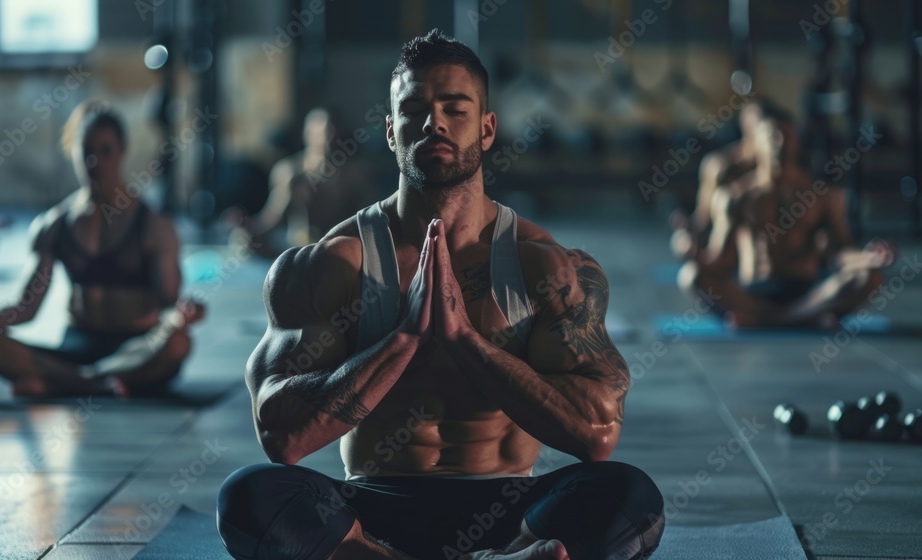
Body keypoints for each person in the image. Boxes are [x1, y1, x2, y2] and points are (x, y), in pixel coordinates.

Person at [217, 30, 664, 560]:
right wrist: (402, 339)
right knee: (249, 496)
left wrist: (466, 341)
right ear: (391, 131)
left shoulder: (544, 265)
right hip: (374, 504)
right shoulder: (331, 265)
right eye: (414, 110)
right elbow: (282, 437)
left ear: (487, 128)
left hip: (508, 506)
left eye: (455, 107)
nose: (434, 123)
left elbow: (596, 434)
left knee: (631, 496)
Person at [0, 101, 204, 397]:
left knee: (178, 343)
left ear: (122, 151)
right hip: (74, 348)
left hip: (134, 350)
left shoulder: (154, 226)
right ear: (73, 153)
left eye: (105, 151)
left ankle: (62, 382)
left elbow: (168, 305)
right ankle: (93, 383)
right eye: (86, 152)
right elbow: (26, 307)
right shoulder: (54, 225)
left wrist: (181, 315)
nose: (94, 162)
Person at [679, 102, 892, 328]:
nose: (779, 143)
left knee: (870, 277)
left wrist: (868, 257)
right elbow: (721, 260)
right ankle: (798, 318)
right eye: (772, 136)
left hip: (807, 294)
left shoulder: (821, 196)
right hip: (753, 293)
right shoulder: (735, 197)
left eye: (786, 137)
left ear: (796, 143)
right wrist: (696, 255)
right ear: (756, 143)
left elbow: (838, 252)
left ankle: (772, 319)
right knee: (691, 275)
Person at [228, 107, 374, 258]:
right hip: (299, 254)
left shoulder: (353, 177)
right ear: (308, 134)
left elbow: (366, 221)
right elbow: (273, 218)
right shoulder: (291, 173)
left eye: (334, 130)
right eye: (325, 130)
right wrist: (250, 230)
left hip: (338, 254)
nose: (330, 135)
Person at [669, 100, 764, 259]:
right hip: (717, 239)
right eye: (750, 123)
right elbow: (701, 218)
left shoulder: (776, 167)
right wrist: (690, 231)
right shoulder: (720, 164)